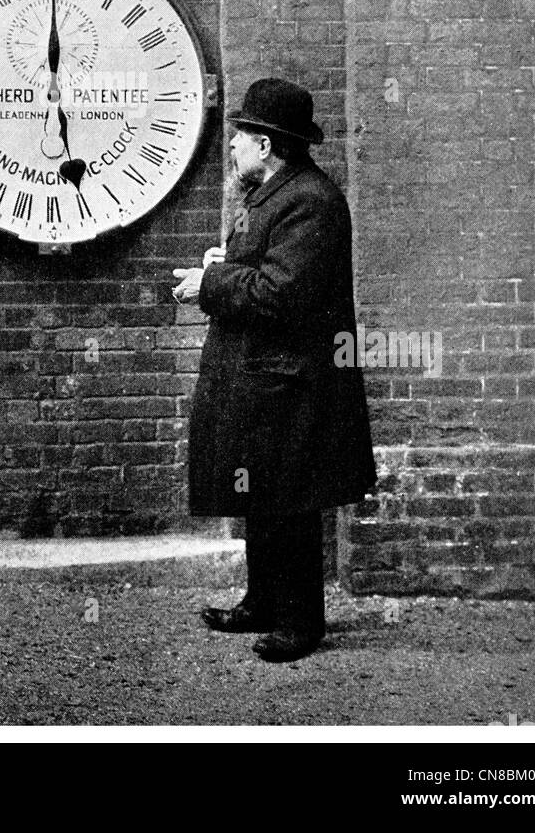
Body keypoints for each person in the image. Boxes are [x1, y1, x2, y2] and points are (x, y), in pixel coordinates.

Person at [172, 77, 376, 663]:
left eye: (241, 135)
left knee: (290, 502)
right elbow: (265, 267)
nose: (233, 144)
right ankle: (263, 602)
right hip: (265, 376)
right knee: (262, 492)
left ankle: (300, 622)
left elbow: (280, 294)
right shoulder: (277, 194)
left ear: (266, 145)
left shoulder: (310, 201)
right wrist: (224, 263)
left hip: (291, 382)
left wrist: (211, 282)